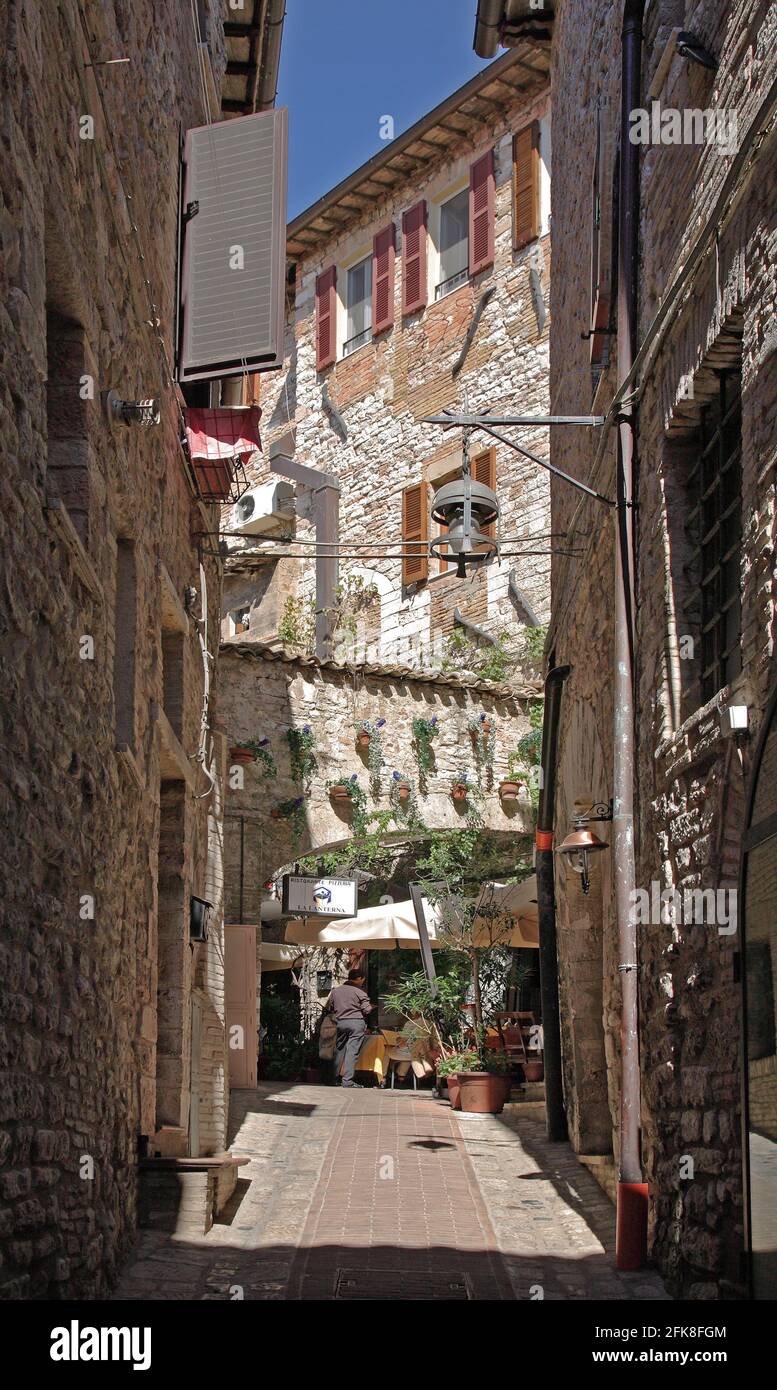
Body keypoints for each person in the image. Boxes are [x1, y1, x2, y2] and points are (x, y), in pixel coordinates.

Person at [326, 969, 375, 1088]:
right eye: (363, 979)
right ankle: (347, 1081)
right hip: (356, 1022)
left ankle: (332, 1079)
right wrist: (370, 1007)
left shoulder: (335, 991)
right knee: (352, 1051)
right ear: (359, 979)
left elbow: (330, 1007)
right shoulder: (359, 991)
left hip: (340, 1022)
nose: (363, 982)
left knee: (339, 1050)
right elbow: (367, 1009)